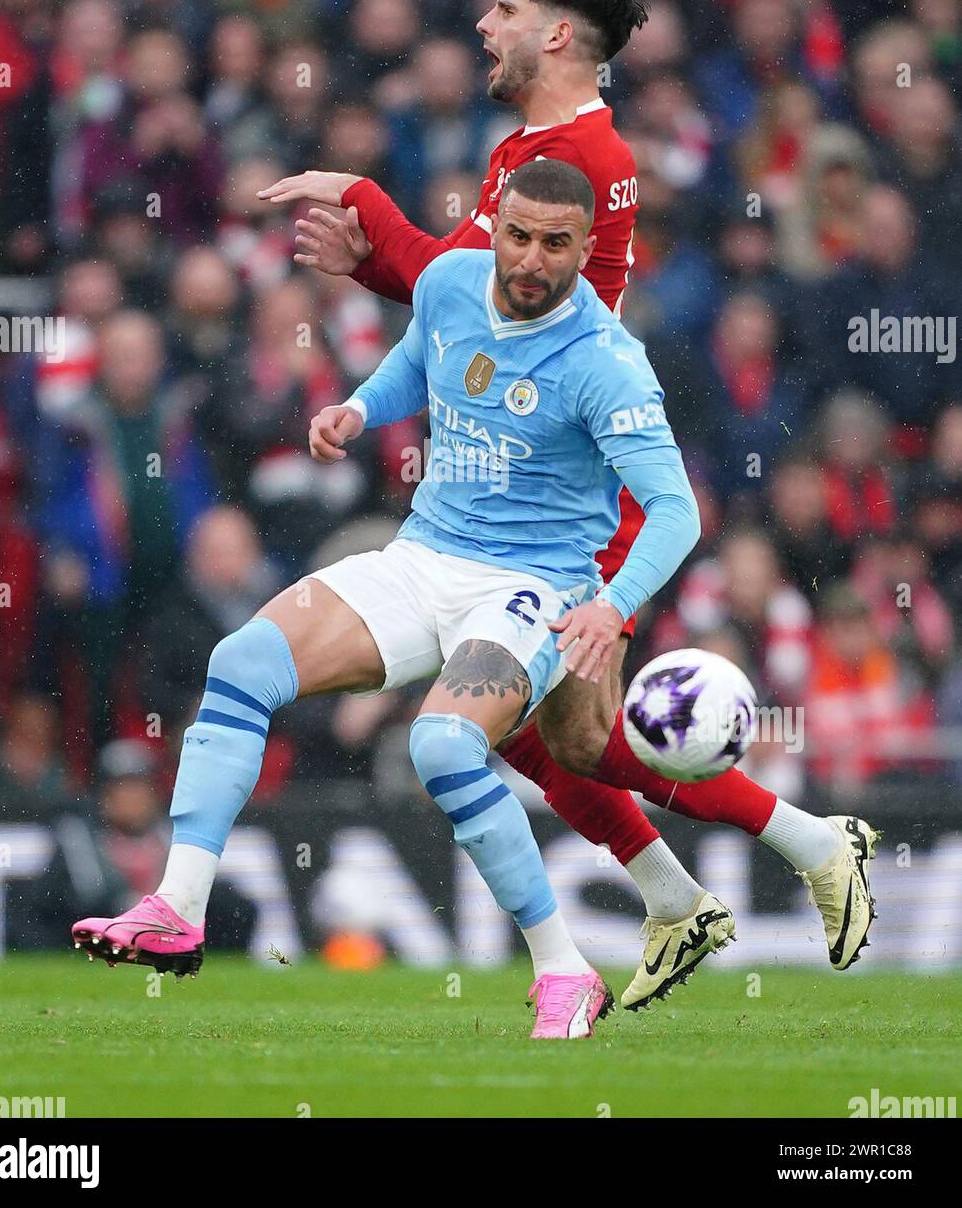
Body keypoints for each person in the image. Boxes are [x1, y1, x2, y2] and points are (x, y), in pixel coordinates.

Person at [259, 0, 879, 993]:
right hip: (551, 478)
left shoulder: (572, 162)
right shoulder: (547, 145)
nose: (482, 27)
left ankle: (804, 847)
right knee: (552, 737)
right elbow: (460, 299)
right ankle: (692, 895)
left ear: (554, 34)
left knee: (558, 731)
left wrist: (362, 198)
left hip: (579, 499)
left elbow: (446, 278)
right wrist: (367, 260)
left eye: (503, 11)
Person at [73, 161, 723, 1038]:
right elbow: (421, 362)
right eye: (518, 235)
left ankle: (564, 970)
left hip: (532, 585)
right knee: (242, 662)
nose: (530, 259)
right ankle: (176, 906)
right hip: (424, 553)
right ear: (494, 225)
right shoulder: (454, 280)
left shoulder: (608, 361)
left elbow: (677, 511)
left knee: (444, 743)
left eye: (555, 244)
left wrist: (612, 604)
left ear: (587, 248)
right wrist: (356, 409)